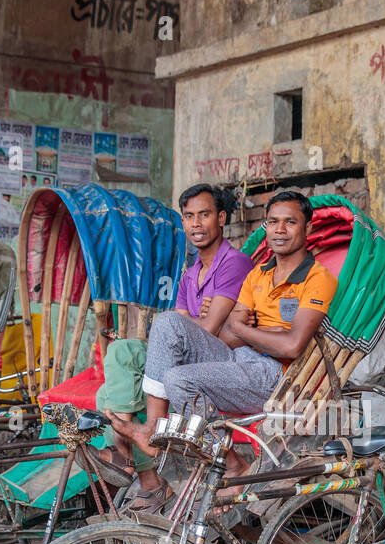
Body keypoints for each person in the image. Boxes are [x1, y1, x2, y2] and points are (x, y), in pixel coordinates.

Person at [107, 189, 335, 485]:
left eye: (290, 222)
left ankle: (231, 462)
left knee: (179, 379)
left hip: (275, 376)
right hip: (238, 358)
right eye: (273, 222)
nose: (280, 229)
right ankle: (154, 426)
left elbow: (291, 346)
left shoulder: (318, 278)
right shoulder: (259, 275)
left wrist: (246, 330)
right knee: (167, 323)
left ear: (308, 228)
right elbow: (227, 333)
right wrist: (265, 332)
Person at [96, 183, 254, 510]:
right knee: (115, 371)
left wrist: (195, 321)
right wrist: (197, 320)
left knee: (160, 330)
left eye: (204, 215)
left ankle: (142, 450)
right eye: (189, 216)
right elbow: (186, 326)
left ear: (221, 218)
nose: (196, 223)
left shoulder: (234, 263)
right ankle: (139, 468)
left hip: (223, 359)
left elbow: (206, 331)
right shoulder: (189, 276)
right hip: (189, 353)